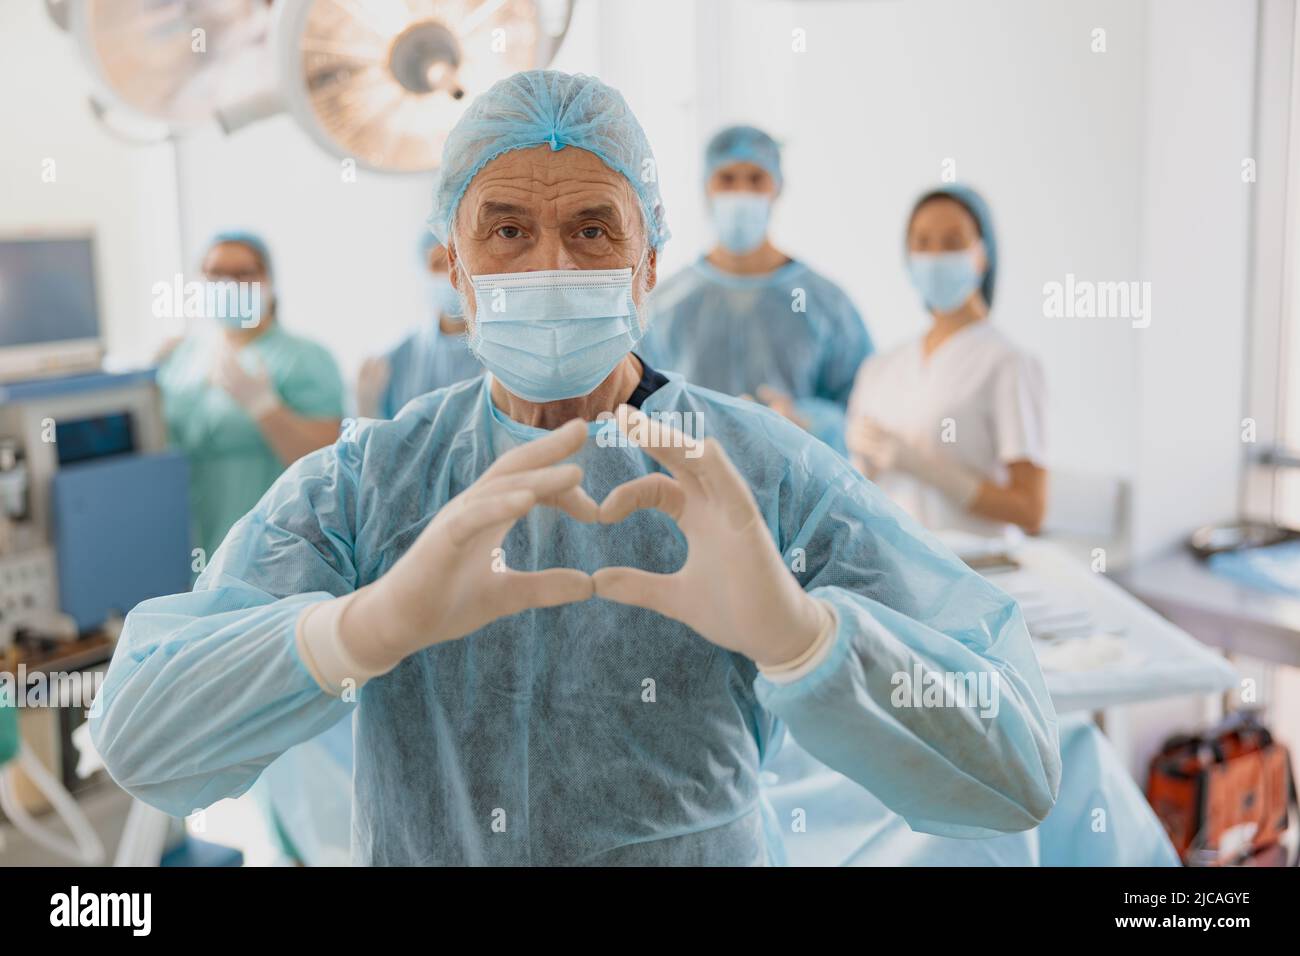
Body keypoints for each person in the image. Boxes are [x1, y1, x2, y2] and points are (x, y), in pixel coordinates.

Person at [93, 71, 1059, 866]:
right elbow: (139, 741)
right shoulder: (367, 487)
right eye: (506, 230)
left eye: (593, 229)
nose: (548, 262)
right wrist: (357, 630)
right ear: (457, 272)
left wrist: (806, 639)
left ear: (648, 267)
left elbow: (1017, 770)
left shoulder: (761, 479)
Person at [640, 125, 872, 454]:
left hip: (803, 494)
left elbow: (865, 409)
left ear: (776, 188)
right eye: (728, 179)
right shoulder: (665, 305)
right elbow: (638, 406)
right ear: (707, 187)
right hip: (691, 492)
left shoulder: (824, 304)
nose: (741, 192)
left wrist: (809, 424)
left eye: (755, 179)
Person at [845, 185, 1047, 537]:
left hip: (975, 573)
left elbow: (1030, 510)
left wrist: (926, 469)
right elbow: (856, 492)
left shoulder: (1007, 364)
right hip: (892, 569)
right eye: (922, 243)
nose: (936, 256)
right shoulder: (880, 368)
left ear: (982, 254)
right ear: (907, 257)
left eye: (953, 242)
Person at [156, 231, 345, 560]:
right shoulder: (184, 356)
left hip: (270, 552)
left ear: (269, 281)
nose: (228, 285)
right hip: (193, 547)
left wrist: (267, 411)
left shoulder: (303, 357)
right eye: (215, 274)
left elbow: (327, 465)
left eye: (243, 274)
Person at [355, 233, 481, 420]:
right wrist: (366, 413)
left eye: (460, 262)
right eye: (439, 263)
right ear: (423, 270)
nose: (452, 275)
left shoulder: (504, 353)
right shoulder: (391, 360)